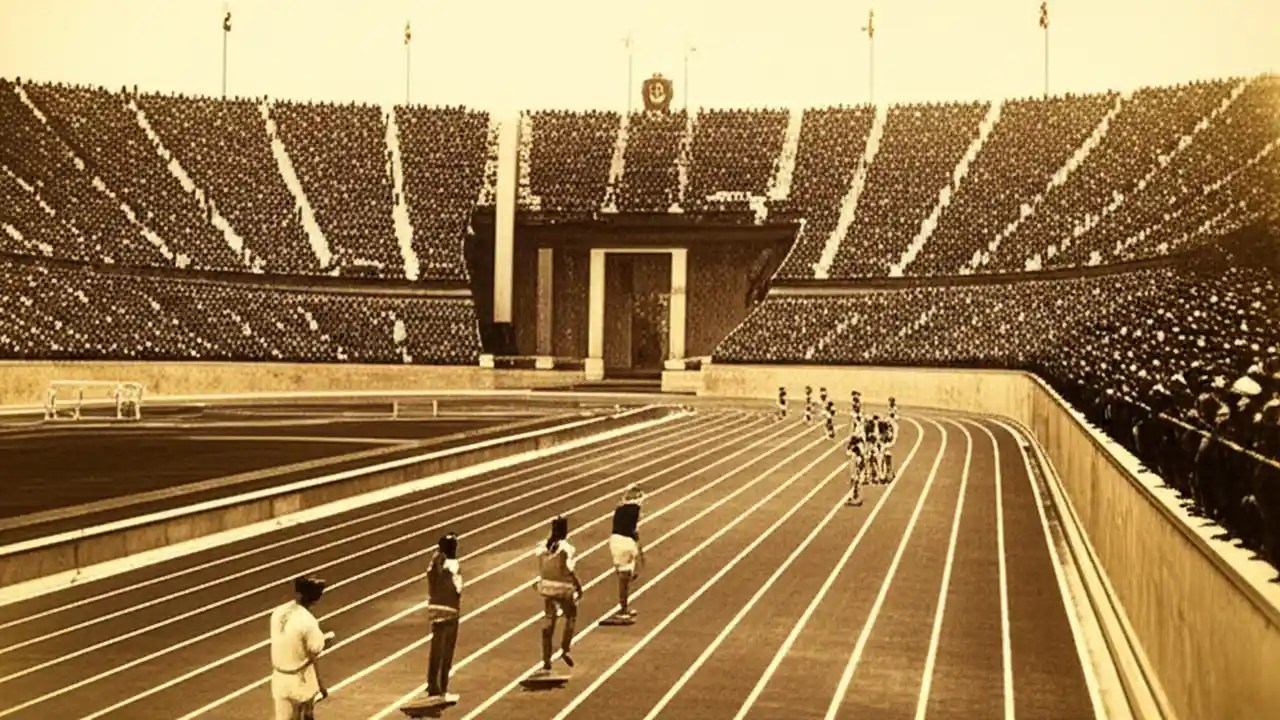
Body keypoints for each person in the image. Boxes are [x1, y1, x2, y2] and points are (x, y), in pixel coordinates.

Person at [270, 576, 333, 720]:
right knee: (307, 713)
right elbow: (314, 652)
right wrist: (320, 682)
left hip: (279, 677)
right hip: (300, 678)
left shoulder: (278, 612)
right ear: (316, 599)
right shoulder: (308, 621)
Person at [533, 516, 584, 673]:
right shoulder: (566, 548)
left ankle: (546, 660)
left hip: (546, 587)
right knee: (571, 614)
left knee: (549, 623)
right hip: (563, 588)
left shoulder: (543, 547)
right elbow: (569, 570)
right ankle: (565, 647)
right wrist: (578, 586)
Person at [425, 534, 462, 704]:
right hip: (450, 610)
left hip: (434, 609)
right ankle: (443, 689)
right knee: (446, 652)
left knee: (436, 649)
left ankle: (432, 684)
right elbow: (458, 588)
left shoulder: (433, 565)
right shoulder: (453, 565)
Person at [609, 485, 647, 618]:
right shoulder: (636, 510)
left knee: (623, 576)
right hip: (626, 543)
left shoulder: (619, 509)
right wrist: (641, 552)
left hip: (614, 541)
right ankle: (623, 609)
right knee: (625, 579)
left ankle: (624, 606)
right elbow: (634, 531)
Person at [845, 422, 867, 506]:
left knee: (856, 481)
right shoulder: (860, 447)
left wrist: (855, 473)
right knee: (856, 482)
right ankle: (855, 497)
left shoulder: (856, 452)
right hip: (859, 463)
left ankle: (857, 498)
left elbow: (856, 461)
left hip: (858, 464)